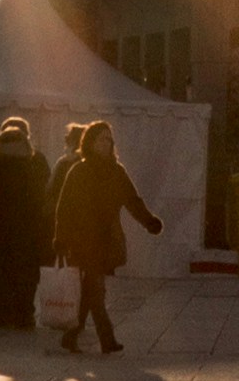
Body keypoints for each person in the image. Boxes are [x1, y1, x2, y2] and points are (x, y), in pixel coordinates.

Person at [49, 115, 163, 357]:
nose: (106, 144)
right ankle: (106, 339)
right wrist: (60, 238)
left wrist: (149, 221)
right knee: (95, 289)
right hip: (82, 240)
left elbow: (132, 201)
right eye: (101, 140)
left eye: (109, 140)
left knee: (91, 291)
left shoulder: (116, 172)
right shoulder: (78, 171)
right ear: (89, 142)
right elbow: (64, 207)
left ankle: (71, 336)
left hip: (106, 240)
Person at [0, 112, 54, 333]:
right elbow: (42, 197)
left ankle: (1, 315)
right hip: (26, 232)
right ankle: (24, 315)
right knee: (25, 275)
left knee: (2, 276)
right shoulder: (31, 167)